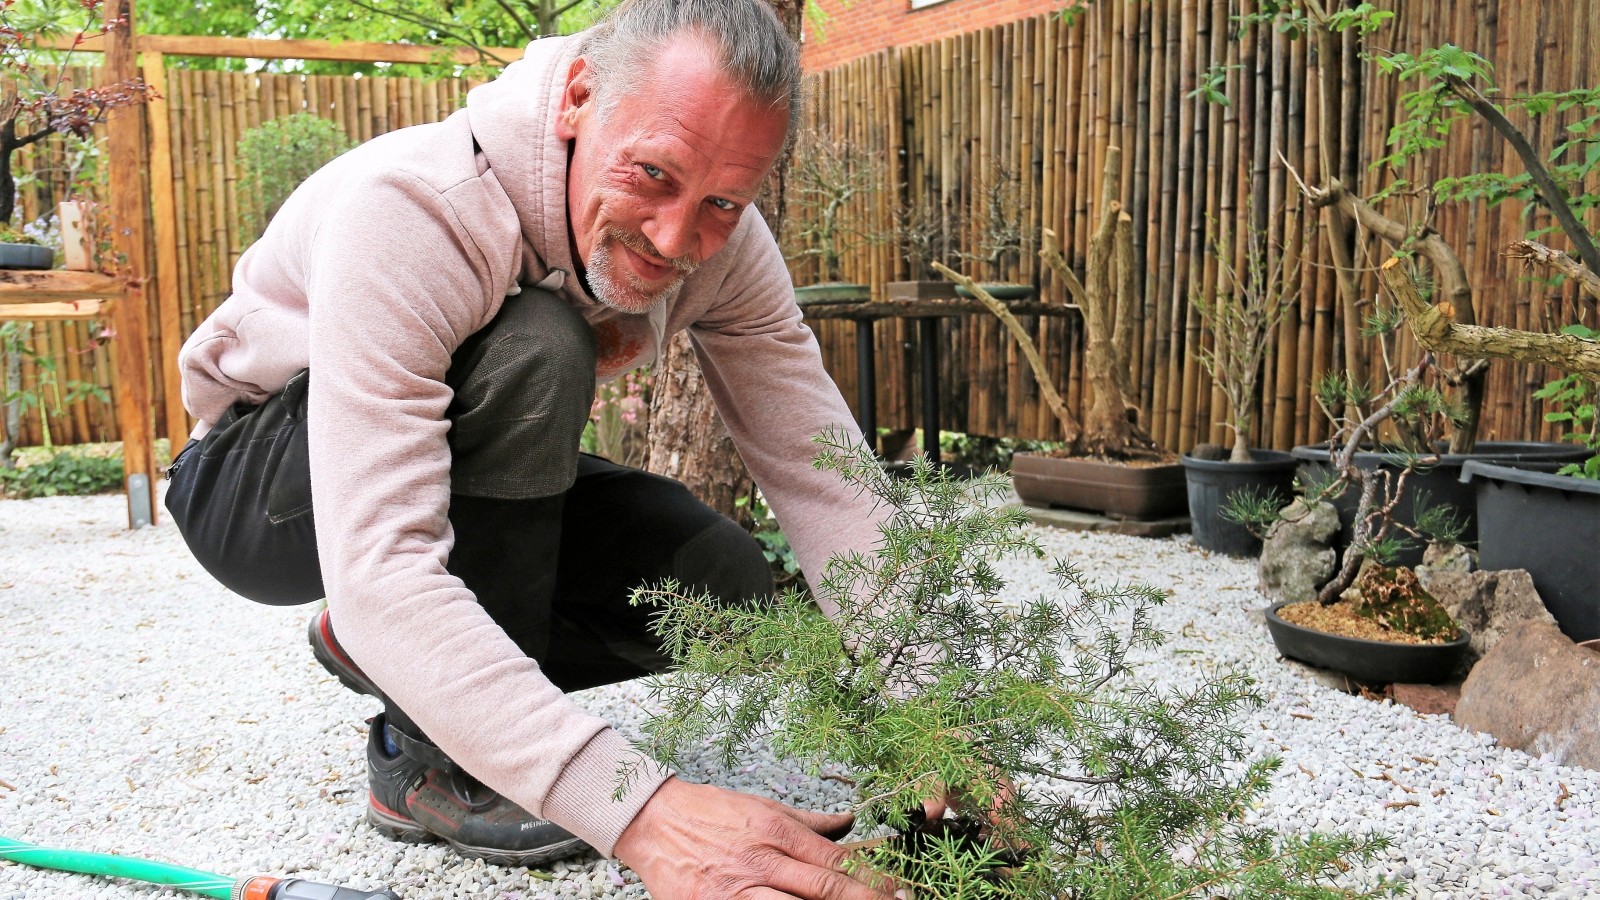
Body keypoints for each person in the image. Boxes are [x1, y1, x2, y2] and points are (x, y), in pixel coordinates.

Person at [164, 0, 908, 897]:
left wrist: (941, 711)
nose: (678, 240)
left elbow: (825, 476)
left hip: (430, 469)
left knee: (723, 589)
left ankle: (390, 652)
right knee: (540, 344)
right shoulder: (416, 209)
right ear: (578, 98)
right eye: (652, 174)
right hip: (260, 483)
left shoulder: (727, 245)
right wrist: (637, 807)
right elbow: (386, 560)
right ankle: (428, 762)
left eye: (721, 200)